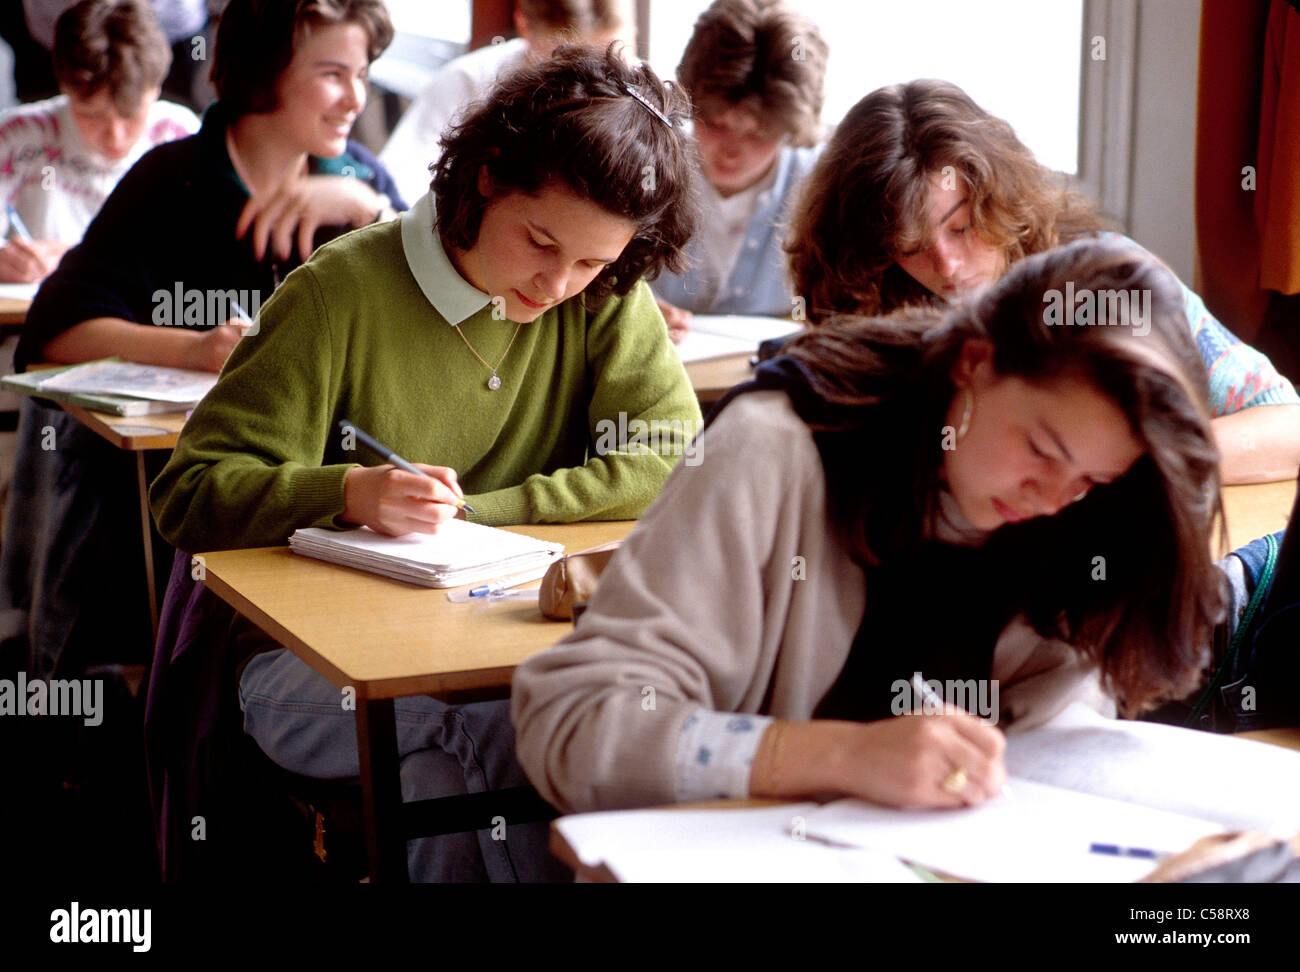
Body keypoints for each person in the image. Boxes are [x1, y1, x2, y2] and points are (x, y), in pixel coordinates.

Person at [148, 44, 701, 881]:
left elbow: (669, 456)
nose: (558, 284)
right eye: (540, 242)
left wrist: (488, 512)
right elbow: (187, 495)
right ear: (486, 179)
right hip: (296, 669)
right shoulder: (338, 292)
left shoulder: (601, 293)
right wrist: (346, 491)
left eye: (592, 261)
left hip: (490, 636)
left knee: (521, 746)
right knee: (483, 732)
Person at [512, 238, 1235, 814]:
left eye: (1091, 479)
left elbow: (1053, 731)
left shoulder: (1081, 516)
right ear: (975, 363)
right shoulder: (777, 447)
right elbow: (577, 726)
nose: (1054, 496)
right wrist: (838, 756)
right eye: (1042, 450)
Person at [0, 0, 403, 682]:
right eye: (334, 73)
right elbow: (53, 331)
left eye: (362, 74)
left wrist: (368, 212)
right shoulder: (170, 179)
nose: (355, 99)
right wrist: (195, 349)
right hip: (172, 502)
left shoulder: (362, 182)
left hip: (330, 493)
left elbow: (437, 316)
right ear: (266, 70)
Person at [785, 78, 1300, 485]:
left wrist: (1116, 464)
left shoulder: (1105, 284)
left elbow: (1285, 425)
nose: (946, 265)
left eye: (962, 227)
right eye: (910, 245)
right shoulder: (871, 303)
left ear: (1000, 197)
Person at [652, 0, 827, 337]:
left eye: (758, 134)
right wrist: (634, 307)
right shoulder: (649, 168)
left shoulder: (821, 185)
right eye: (715, 123)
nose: (731, 150)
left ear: (790, 129)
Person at [0, 0, 198, 284]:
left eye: (131, 116)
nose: (115, 136)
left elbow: (203, 251)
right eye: (91, 115)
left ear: (155, 91)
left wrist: (76, 257)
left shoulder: (178, 134)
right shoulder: (18, 136)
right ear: (64, 87)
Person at [378, 0, 634, 208]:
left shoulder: (642, 91)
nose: (592, 84)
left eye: (608, 63)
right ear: (523, 24)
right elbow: (397, 190)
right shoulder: (470, 81)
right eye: (567, 65)